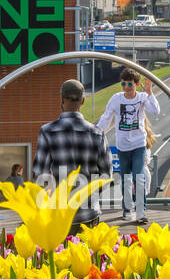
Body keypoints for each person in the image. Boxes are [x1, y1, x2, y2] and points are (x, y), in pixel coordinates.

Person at [33, 78, 113, 231]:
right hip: (89, 213)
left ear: (62, 99)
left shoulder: (47, 131)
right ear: (82, 101)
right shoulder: (97, 133)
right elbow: (107, 175)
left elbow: (39, 175)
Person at [96, 68, 160, 224]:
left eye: (129, 84)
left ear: (137, 84)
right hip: (123, 146)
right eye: (123, 84)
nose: (126, 87)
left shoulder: (143, 97)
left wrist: (150, 92)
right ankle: (126, 208)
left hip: (138, 143)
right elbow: (106, 118)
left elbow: (155, 110)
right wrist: (97, 133)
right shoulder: (116, 99)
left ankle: (141, 212)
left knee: (139, 176)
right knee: (125, 178)